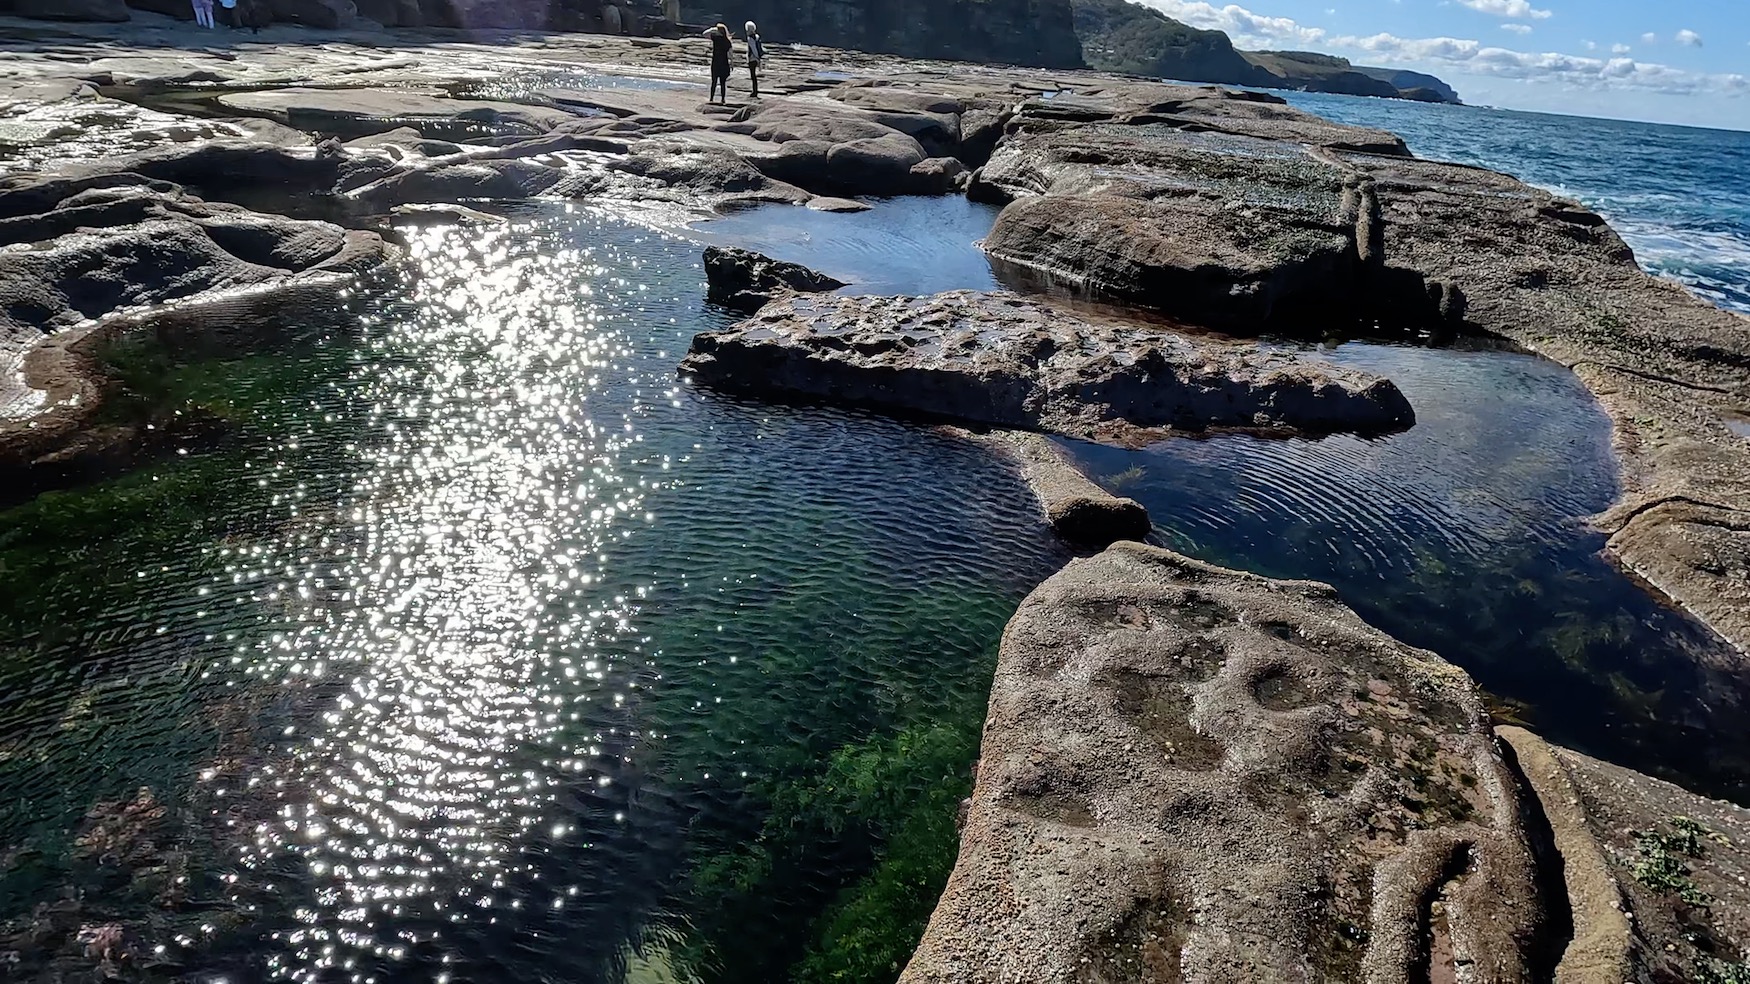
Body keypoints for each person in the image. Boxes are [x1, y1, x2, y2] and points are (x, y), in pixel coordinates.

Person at [705, 23, 731, 104]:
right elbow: (730, 54)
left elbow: (704, 34)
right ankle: (723, 99)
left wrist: (712, 29)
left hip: (715, 62)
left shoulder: (716, 38)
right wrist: (732, 64)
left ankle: (711, 98)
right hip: (724, 63)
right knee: (723, 83)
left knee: (714, 82)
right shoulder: (727, 41)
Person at [743, 21, 764, 99]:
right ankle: (755, 91)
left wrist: (756, 57)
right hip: (756, 58)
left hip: (752, 59)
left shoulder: (750, 38)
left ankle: (754, 92)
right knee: (754, 76)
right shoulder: (757, 36)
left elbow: (753, 49)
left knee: (753, 76)